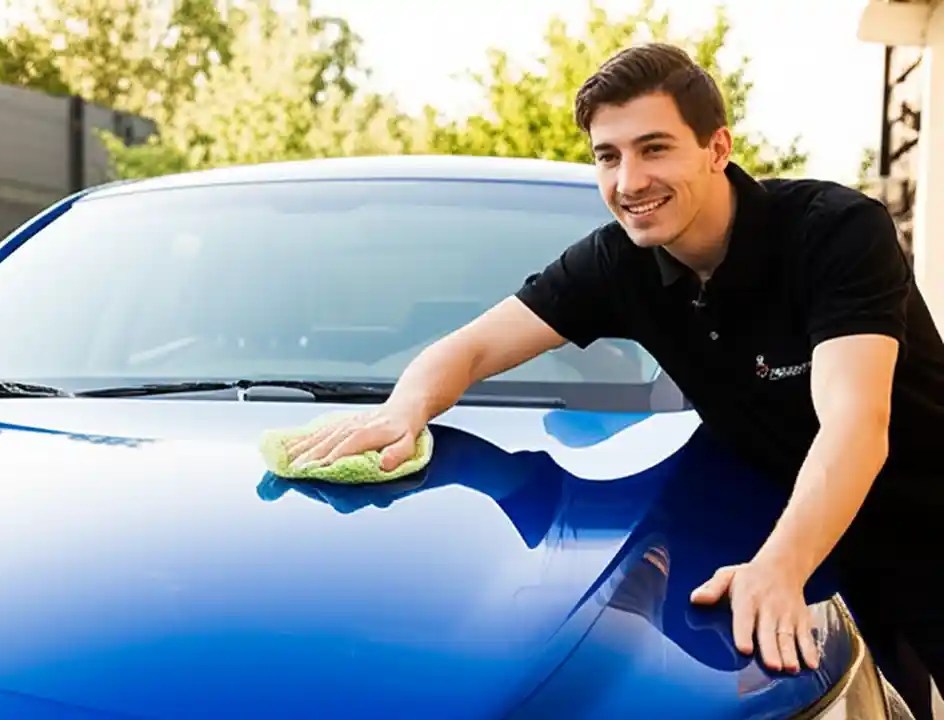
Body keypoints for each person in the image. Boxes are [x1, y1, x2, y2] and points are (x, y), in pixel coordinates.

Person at [284, 42, 944, 717]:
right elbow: (476, 348)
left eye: (654, 148)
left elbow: (856, 420)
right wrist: (404, 409)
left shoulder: (834, 233)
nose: (628, 181)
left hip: (926, 524)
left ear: (717, 148)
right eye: (608, 155)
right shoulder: (618, 263)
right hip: (794, 533)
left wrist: (780, 567)